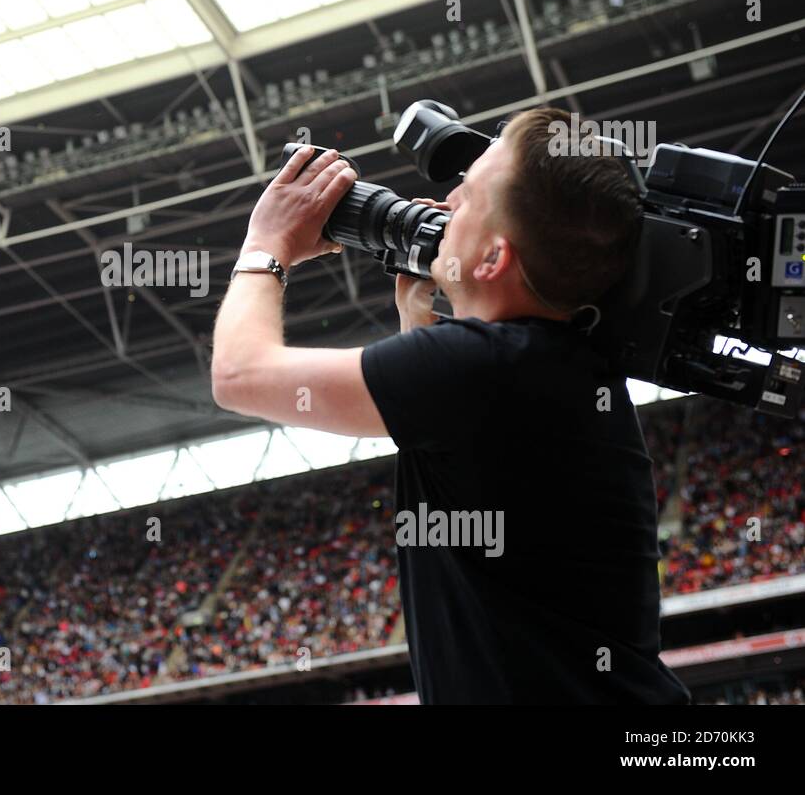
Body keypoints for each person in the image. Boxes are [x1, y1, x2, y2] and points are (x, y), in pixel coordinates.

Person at [211, 108, 691, 703]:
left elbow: (238, 375)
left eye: (467, 195)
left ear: (492, 260)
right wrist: (421, 321)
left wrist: (266, 243)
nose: (449, 199)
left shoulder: (488, 366)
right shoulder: (555, 361)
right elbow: (464, 453)